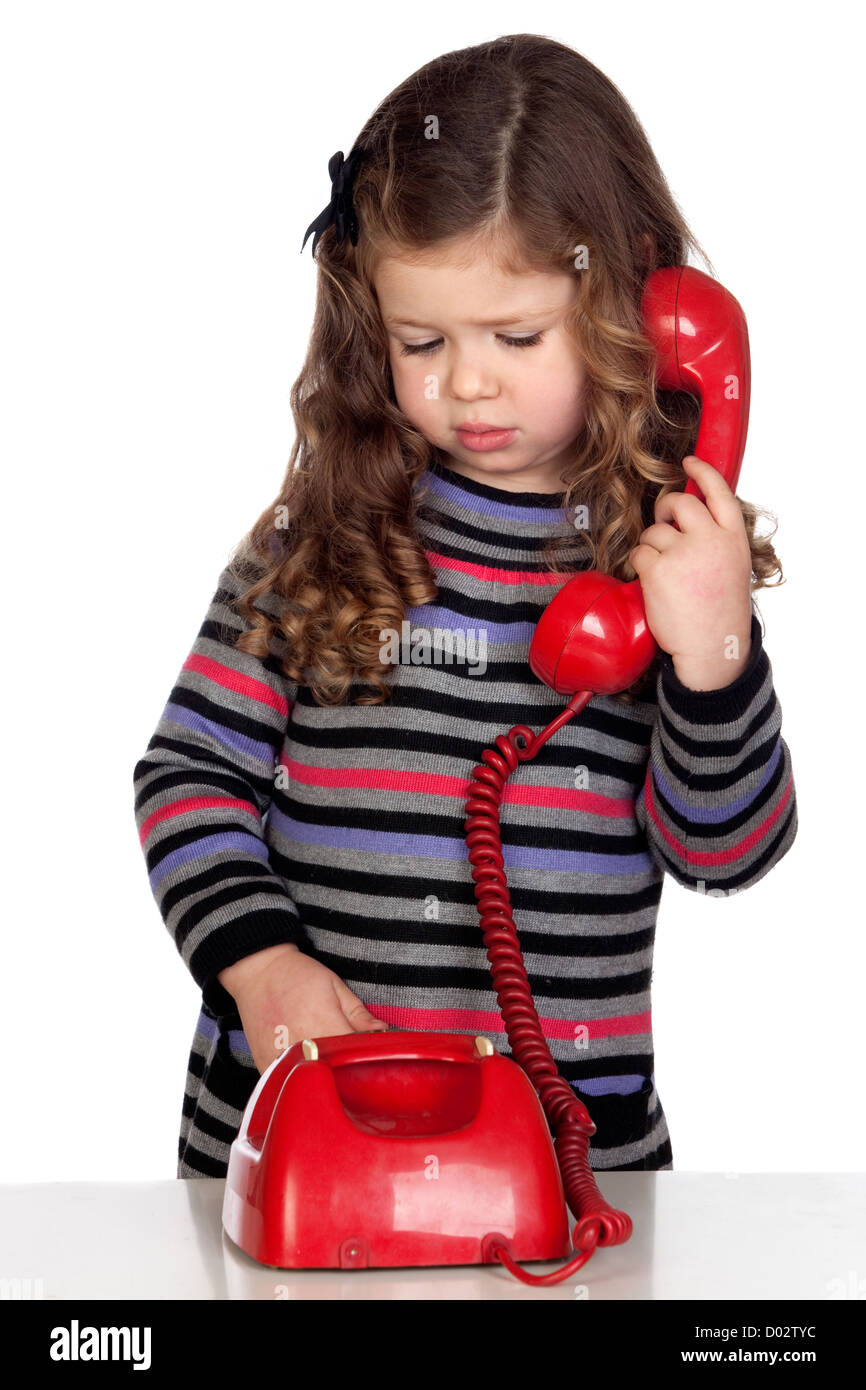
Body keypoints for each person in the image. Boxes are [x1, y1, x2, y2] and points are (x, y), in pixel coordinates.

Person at [133, 34, 797, 1179]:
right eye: (420, 341)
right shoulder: (313, 542)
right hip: (302, 1131)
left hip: (560, 1156)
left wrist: (711, 656)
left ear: (647, 301)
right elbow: (187, 776)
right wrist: (258, 965)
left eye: (517, 335)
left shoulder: (668, 569)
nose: (468, 383)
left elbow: (723, 852)